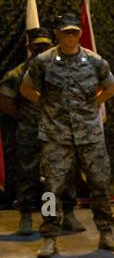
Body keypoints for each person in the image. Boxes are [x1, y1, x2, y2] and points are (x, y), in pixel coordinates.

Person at [20, 14, 114, 258]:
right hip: (56, 135)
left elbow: (111, 88)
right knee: (50, 189)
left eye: (74, 32)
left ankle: (106, 233)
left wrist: (94, 104)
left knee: (100, 185)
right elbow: (26, 88)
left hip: (89, 134)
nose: (71, 36)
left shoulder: (95, 61)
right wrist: (44, 104)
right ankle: (49, 238)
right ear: (57, 33)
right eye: (66, 32)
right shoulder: (43, 61)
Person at [1, 27, 81, 236]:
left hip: (58, 133)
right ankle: (26, 215)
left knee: (61, 176)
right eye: (37, 47)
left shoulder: (61, 70)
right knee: (28, 175)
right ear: (29, 47)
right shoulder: (17, 74)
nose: (41, 51)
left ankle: (66, 214)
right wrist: (27, 117)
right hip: (31, 133)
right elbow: (5, 102)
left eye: (45, 47)